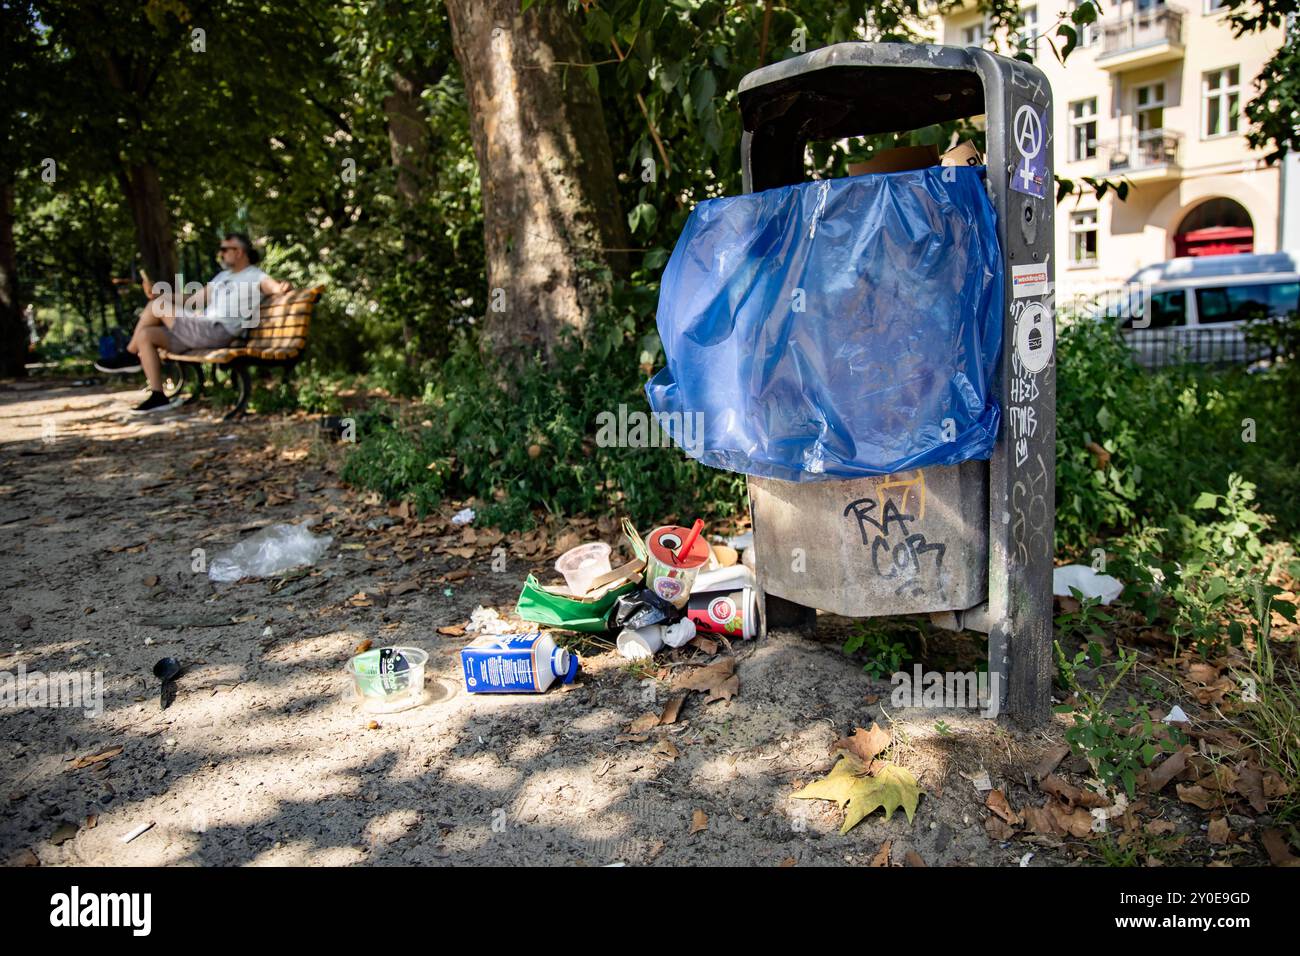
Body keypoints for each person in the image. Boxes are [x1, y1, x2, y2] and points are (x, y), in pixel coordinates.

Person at [96, 233, 292, 413]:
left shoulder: (255, 276)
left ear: (239, 252)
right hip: (201, 329)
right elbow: (194, 300)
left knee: (158, 306)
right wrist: (163, 294)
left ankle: (130, 356)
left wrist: (282, 287)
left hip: (217, 331)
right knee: (146, 335)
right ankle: (157, 396)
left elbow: (275, 287)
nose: (220, 254)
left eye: (224, 249)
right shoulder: (223, 277)